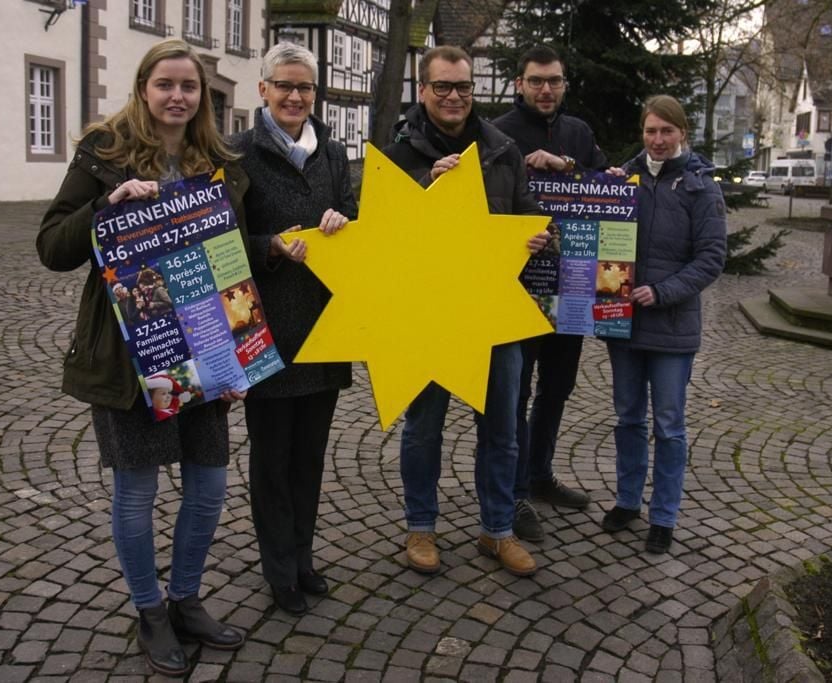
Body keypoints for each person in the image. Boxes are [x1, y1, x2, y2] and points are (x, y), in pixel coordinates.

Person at [37, 39, 248, 676]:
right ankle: (149, 611)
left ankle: (186, 599)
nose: (178, 96)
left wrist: (239, 354)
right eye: (166, 84)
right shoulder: (104, 152)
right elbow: (53, 246)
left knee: (209, 485)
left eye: (189, 86)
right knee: (137, 490)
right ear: (143, 88)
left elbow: (231, 260)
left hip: (203, 346)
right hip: (131, 354)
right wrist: (106, 207)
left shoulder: (220, 163)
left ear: (203, 96)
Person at [383, 45, 549, 577]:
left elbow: (529, 215)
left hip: (492, 313)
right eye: (442, 86)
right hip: (426, 315)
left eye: (463, 86)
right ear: (422, 90)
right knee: (423, 428)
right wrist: (426, 187)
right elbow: (381, 237)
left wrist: (537, 238)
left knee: (501, 428)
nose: (454, 96)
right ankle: (420, 527)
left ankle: (497, 531)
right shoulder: (399, 154)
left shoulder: (501, 149)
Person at [230, 42, 356, 616]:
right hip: (267, 332)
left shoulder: (332, 152)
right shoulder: (238, 154)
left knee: (309, 458)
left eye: (304, 86)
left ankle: (303, 558)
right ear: (263, 89)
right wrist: (271, 247)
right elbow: (221, 241)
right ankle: (279, 568)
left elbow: (355, 218)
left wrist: (344, 221)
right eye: (284, 85)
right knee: (271, 461)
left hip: (326, 329)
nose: (295, 96)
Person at [491, 45, 607, 543]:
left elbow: (609, 189)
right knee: (514, 393)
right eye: (536, 81)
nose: (545, 89)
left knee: (557, 387)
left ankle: (540, 474)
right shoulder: (496, 133)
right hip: (516, 286)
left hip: (571, 285)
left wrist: (568, 166)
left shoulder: (579, 133)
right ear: (519, 83)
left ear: (564, 84)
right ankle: (514, 492)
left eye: (554, 81)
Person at [602, 95, 726, 554]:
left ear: (682, 133)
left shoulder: (701, 188)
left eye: (666, 131)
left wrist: (663, 291)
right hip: (625, 324)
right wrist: (604, 193)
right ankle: (627, 500)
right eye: (651, 131)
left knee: (669, 425)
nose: (657, 140)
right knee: (628, 418)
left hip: (672, 326)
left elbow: (711, 258)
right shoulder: (625, 178)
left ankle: (664, 516)